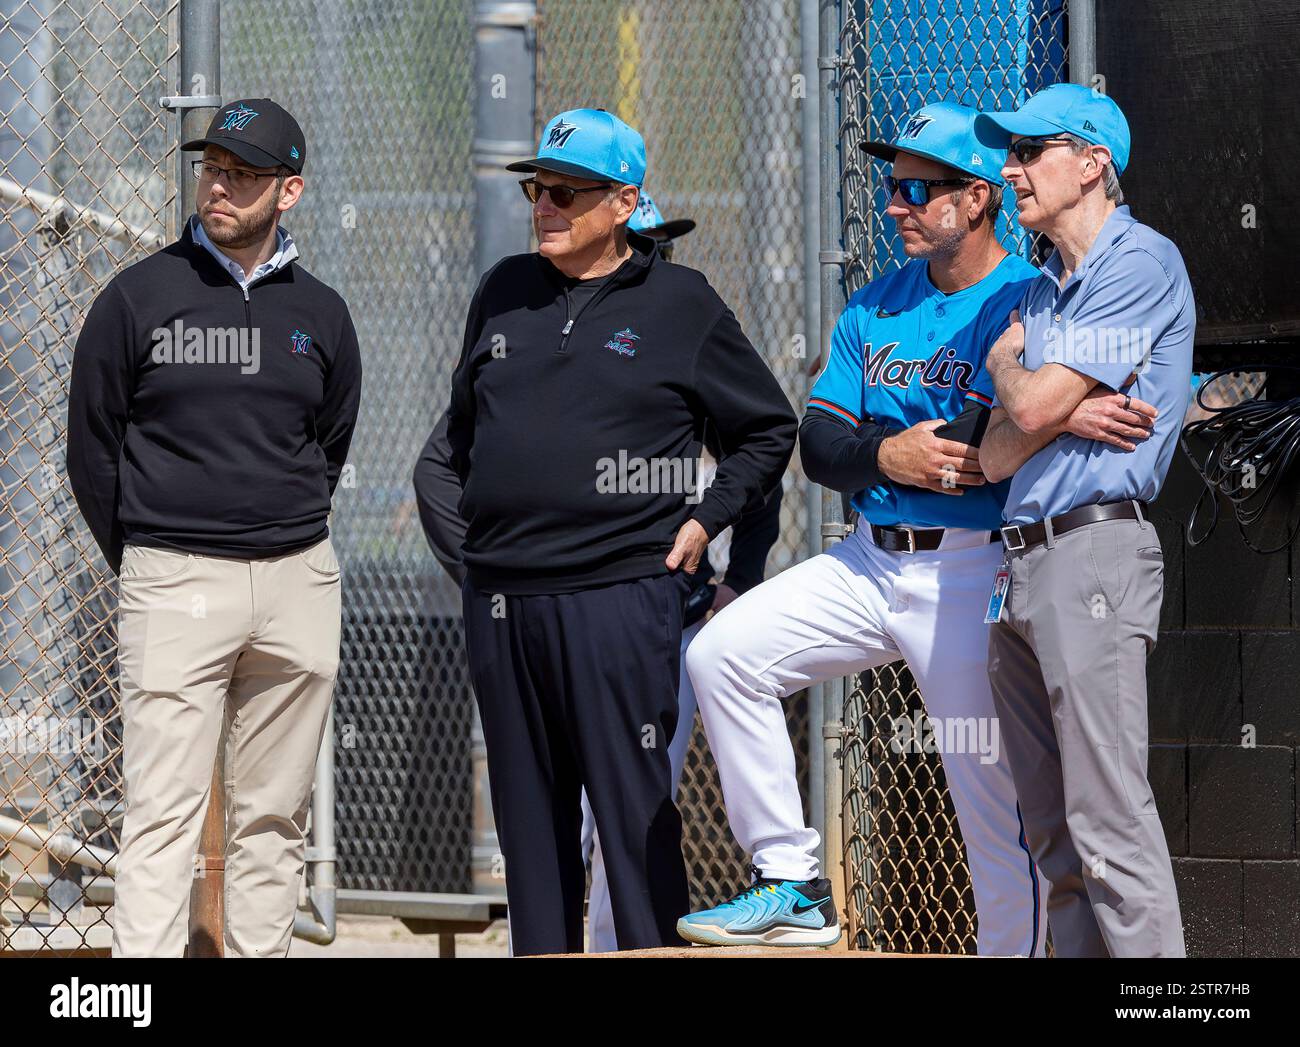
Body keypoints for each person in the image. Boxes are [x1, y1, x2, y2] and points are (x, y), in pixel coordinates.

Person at [677, 101, 1149, 954]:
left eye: (915, 189)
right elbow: (819, 443)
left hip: (971, 568)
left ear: (976, 199)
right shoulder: (874, 306)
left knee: (990, 803)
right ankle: (791, 877)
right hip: (867, 557)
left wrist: (993, 431)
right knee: (721, 653)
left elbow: (1003, 431)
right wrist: (886, 454)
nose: (894, 204)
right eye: (890, 187)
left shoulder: (1028, 296)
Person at [447, 108, 797, 955]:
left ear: (624, 203)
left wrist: (708, 519)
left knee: (634, 827)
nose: (546, 205)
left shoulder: (681, 302)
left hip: (618, 597)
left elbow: (767, 429)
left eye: (570, 191)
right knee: (530, 842)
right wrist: (476, 550)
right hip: (504, 603)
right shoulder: (504, 289)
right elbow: (461, 439)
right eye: (538, 188)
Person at [67, 98, 362, 957]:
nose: (220, 185)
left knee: (275, 815)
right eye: (212, 167)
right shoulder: (139, 296)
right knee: (162, 811)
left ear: (291, 190)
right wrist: (152, 554)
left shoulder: (324, 315)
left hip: (297, 579)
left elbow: (328, 441)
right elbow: (94, 448)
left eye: (243, 173)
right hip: (174, 575)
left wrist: (281, 534)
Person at [974, 84, 1193, 957]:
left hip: (1094, 547)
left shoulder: (1138, 261)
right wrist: (1047, 405)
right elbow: (994, 456)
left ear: (1094, 161)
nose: (1011, 169)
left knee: (1106, 817)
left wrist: (1021, 385)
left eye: (1033, 151)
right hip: (1021, 562)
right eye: (1011, 152)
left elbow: (1024, 413)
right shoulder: (1043, 290)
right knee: (1053, 834)